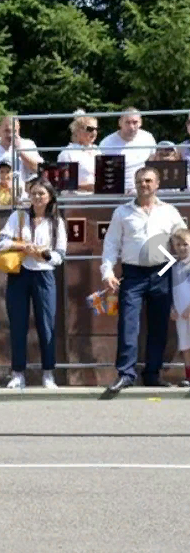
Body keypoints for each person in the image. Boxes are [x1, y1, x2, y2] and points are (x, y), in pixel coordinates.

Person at [101, 167, 184, 392]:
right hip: (133, 274)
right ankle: (126, 374)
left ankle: (152, 374)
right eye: (140, 181)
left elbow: (184, 240)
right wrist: (107, 272)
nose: (144, 185)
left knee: (158, 327)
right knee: (128, 324)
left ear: (157, 184)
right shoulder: (122, 212)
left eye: (148, 181)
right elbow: (111, 245)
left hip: (162, 271)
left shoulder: (170, 212)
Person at [0, 178, 68, 389]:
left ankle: (48, 373)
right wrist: (23, 246)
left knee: (46, 325)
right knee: (18, 324)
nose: (37, 198)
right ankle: (18, 373)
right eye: (34, 193)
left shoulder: (57, 222)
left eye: (41, 194)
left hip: (44, 275)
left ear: (50, 197)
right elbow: (0, 244)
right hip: (19, 273)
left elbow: (59, 256)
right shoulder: (18, 217)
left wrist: (43, 254)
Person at [0, 117, 43, 199]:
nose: (10, 134)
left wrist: (20, 151)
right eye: (7, 131)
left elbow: (36, 169)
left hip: (21, 199)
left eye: (14, 131)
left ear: (19, 130)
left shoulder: (28, 145)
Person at [98, 108, 157, 194]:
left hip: (142, 189)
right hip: (116, 191)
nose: (131, 127)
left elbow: (152, 163)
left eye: (135, 122)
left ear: (141, 122)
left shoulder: (148, 138)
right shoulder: (106, 143)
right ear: (120, 123)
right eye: (127, 122)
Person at [57, 110, 101, 194]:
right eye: (90, 129)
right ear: (77, 131)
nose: (94, 132)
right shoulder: (68, 153)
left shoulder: (97, 150)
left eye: (96, 129)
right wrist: (89, 187)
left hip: (100, 197)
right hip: (77, 199)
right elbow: (65, 183)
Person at [168, 228, 190, 387]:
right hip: (180, 314)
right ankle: (188, 377)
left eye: (186, 244)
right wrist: (171, 309)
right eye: (178, 245)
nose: (182, 247)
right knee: (185, 345)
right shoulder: (173, 268)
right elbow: (169, 290)